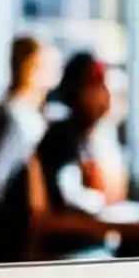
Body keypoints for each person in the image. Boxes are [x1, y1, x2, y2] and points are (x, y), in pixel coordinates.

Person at [0, 36, 58, 261]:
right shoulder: (14, 118)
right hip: (13, 233)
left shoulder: (33, 115)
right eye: (48, 65)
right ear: (29, 67)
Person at [37, 53, 127, 216]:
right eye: (97, 86)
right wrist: (101, 203)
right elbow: (69, 195)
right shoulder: (60, 137)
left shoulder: (101, 135)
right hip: (72, 237)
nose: (106, 95)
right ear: (77, 91)